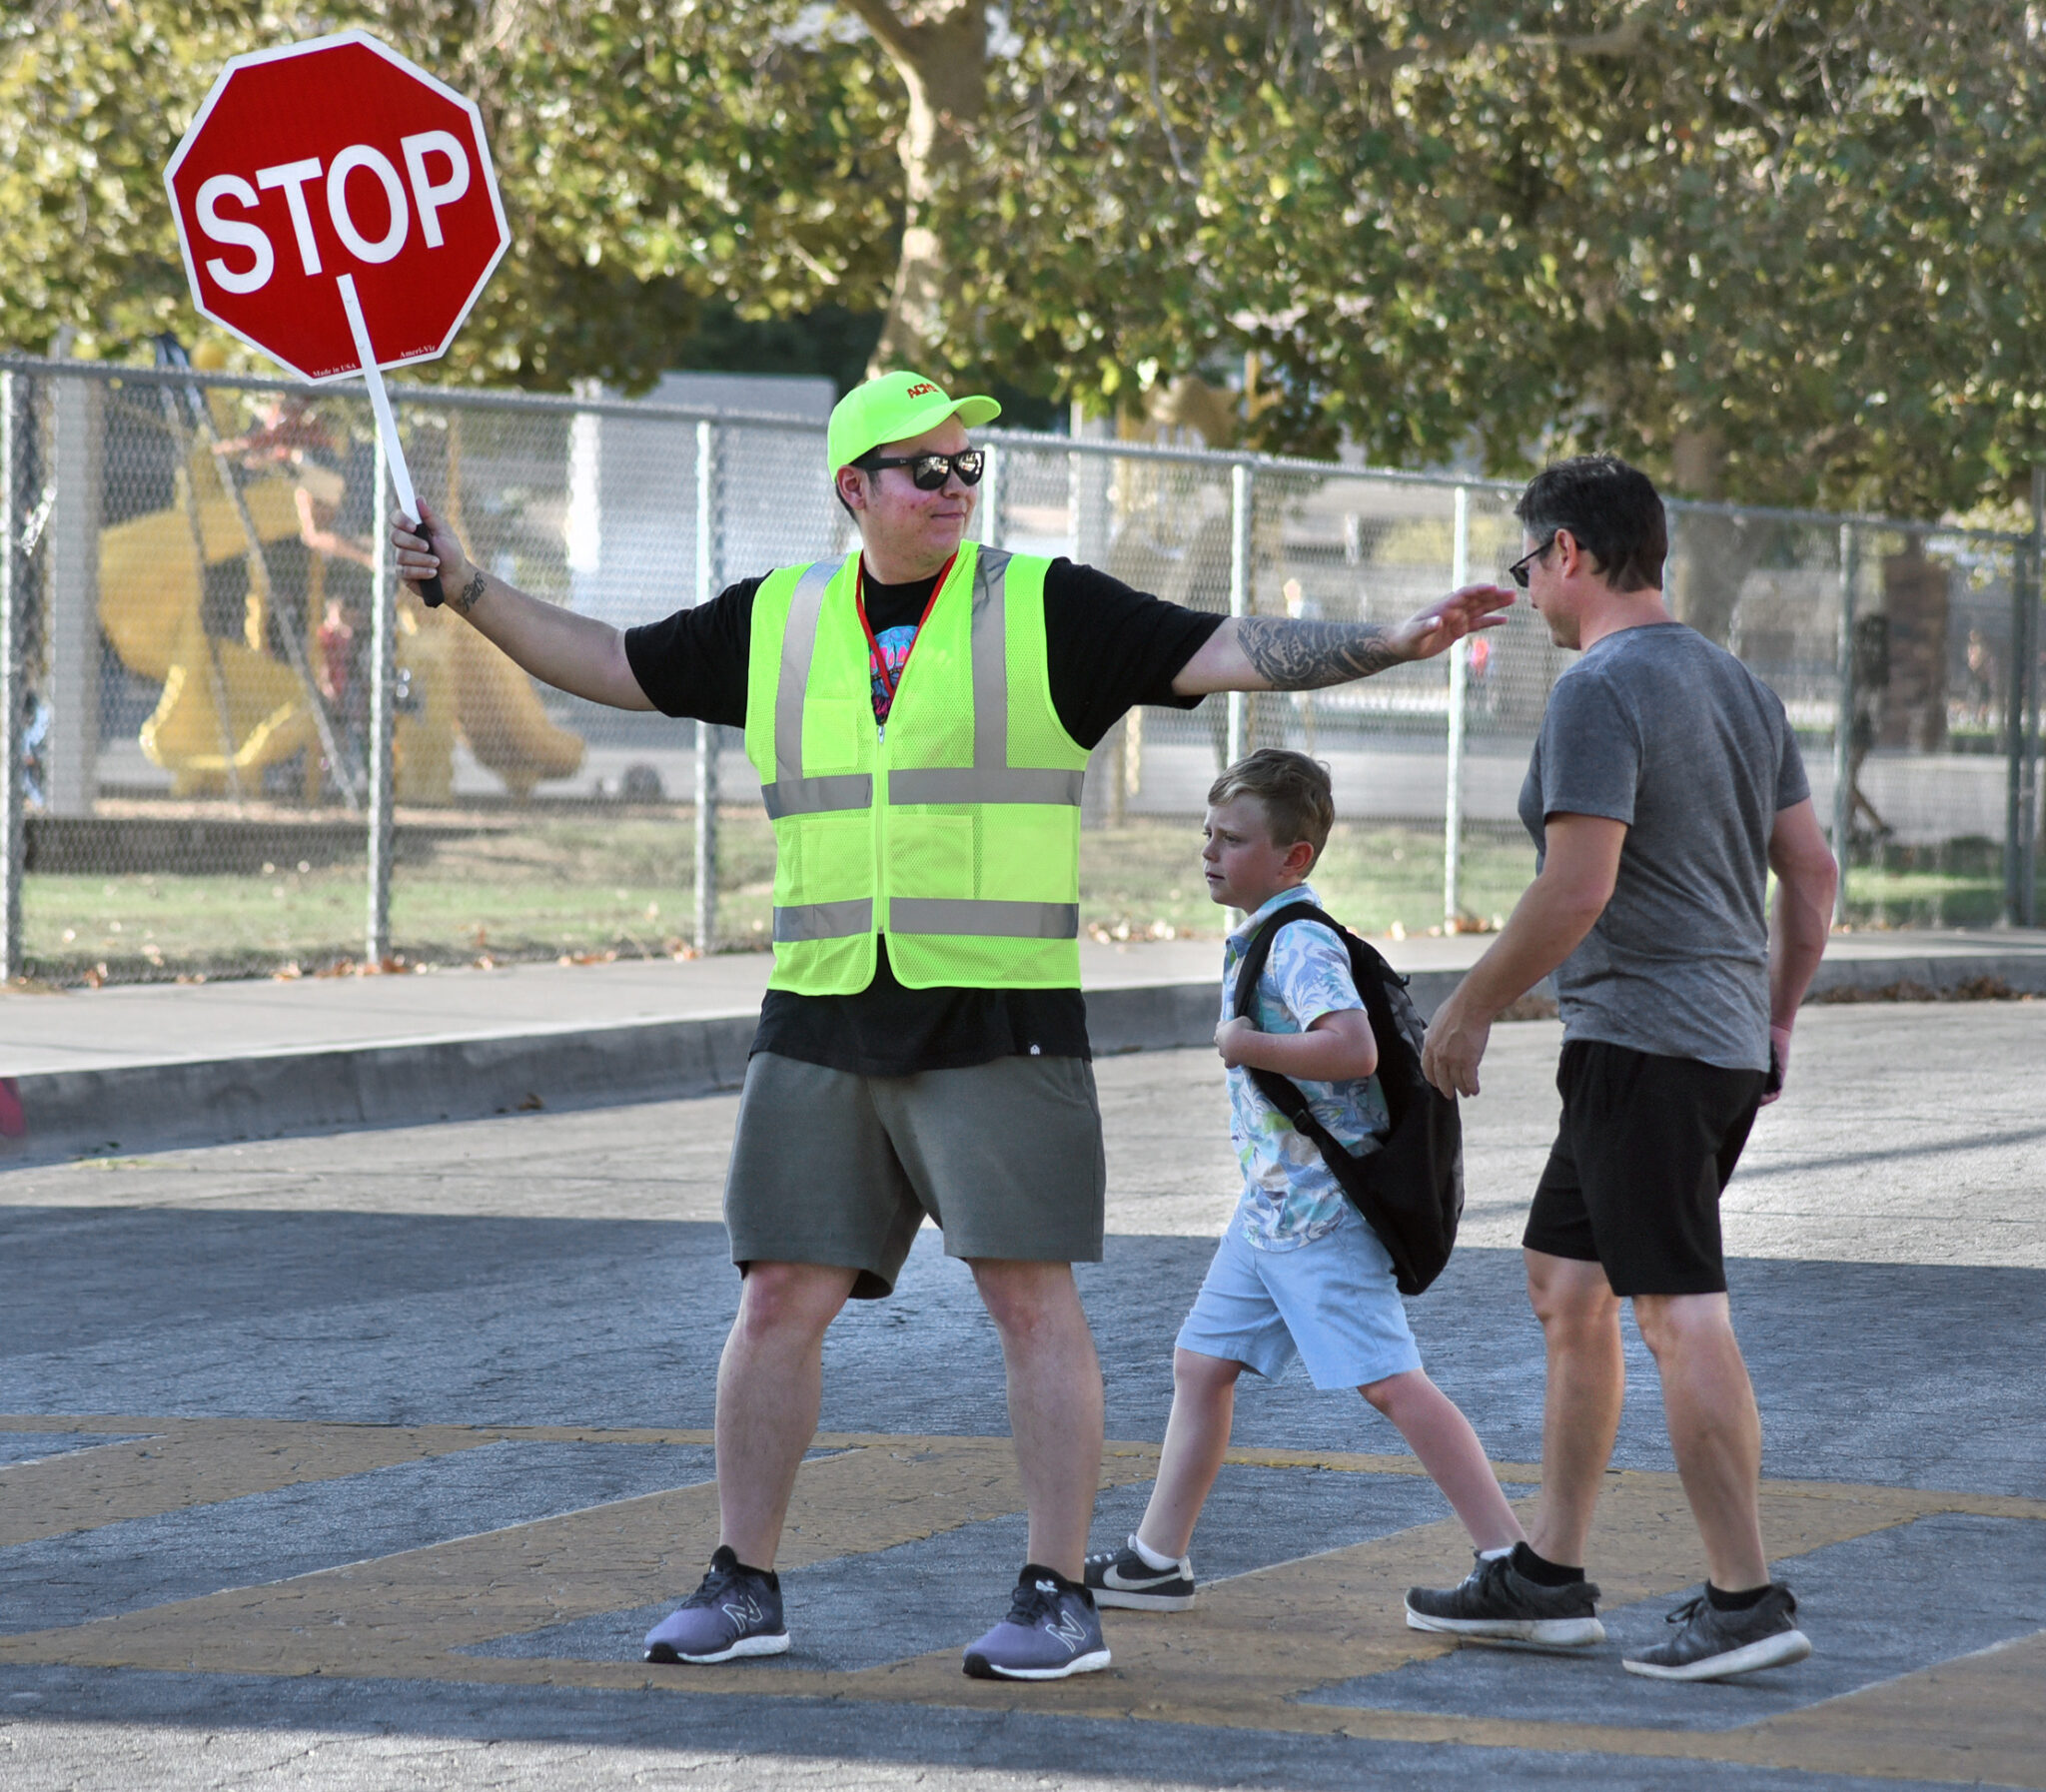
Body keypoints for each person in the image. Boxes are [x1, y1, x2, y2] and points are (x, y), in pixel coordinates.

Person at [389, 371, 1511, 1681]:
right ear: (854, 488)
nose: (956, 488)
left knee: (1030, 1304)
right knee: (774, 1300)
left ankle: (1057, 1592)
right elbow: (613, 665)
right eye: (926, 468)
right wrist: (463, 587)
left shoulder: (1041, 605)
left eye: (969, 466)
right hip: (820, 1014)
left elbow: (1224, 645)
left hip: (998, 1016)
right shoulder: (782, 618)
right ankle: (743, 1580)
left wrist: (1386, 639)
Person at [1407, 454, 1838, 1683]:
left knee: (1675, 1310)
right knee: (1563, 1281)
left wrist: (1469, 1010)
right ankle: (1545, 1576)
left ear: (1569, 557)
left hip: (1645, 1047)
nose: (1525, 588)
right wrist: (1778, 1017)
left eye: (1524, 563)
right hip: (1690, 1044)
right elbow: (1806, 875)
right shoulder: (1736, 684)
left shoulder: (1600, 688)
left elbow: (1575, 884)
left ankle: (1743, 1598)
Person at [1082, 750, 1543, 1629]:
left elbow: (1353, 1048)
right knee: (1202, 1362)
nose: (1210, 853)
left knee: (1392, 1383)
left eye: (1234, 839)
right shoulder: (1266, 928)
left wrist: (1247, 1045)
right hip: (1272, 1212)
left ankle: (1510, 1561)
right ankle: (1155, 1559)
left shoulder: (1298, 940)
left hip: (1320, 1217)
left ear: (1294, 858)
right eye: (1207, 834)